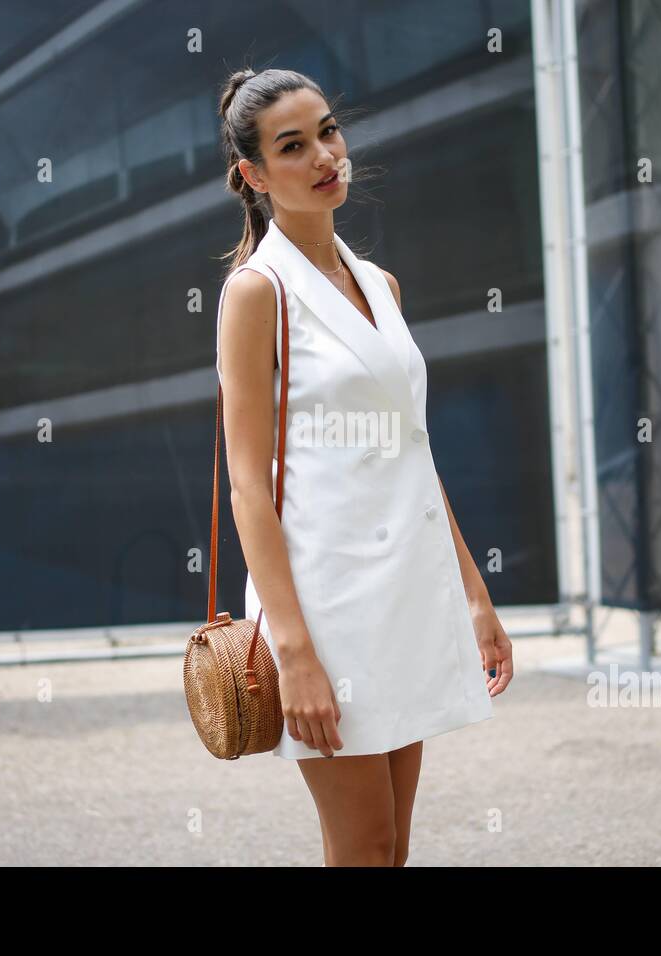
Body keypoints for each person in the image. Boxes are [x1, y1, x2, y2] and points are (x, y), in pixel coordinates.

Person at [214, 66, 514, 867]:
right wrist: (296, 651)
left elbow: (412, 451)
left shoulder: (381, 284)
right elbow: (247, 484)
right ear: (252, 175)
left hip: (407, 595)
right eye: (293, 145)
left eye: (328, 132)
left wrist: (474, 597)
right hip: (328, 607)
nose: (325, 155)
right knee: (365, 847)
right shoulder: (256, 292)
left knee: (394, 851)